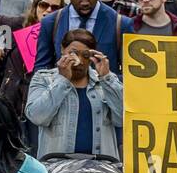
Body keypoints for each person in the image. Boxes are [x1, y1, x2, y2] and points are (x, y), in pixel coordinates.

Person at [26, 28, 124, 159]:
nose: (80, 61)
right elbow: (37, 116)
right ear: (62, 50)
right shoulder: (44, 78)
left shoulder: (105, 81)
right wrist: (62, 80)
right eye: (73, 53)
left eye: (85, 55)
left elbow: (123, 119)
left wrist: (107, 78)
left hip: (101, 169)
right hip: (57, 168)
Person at [34, 0, 132, 73]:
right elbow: (41, 70)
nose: (85, 2)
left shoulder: (121, 24)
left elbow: (129, 77)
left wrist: (106, 78)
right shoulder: (50, 23)